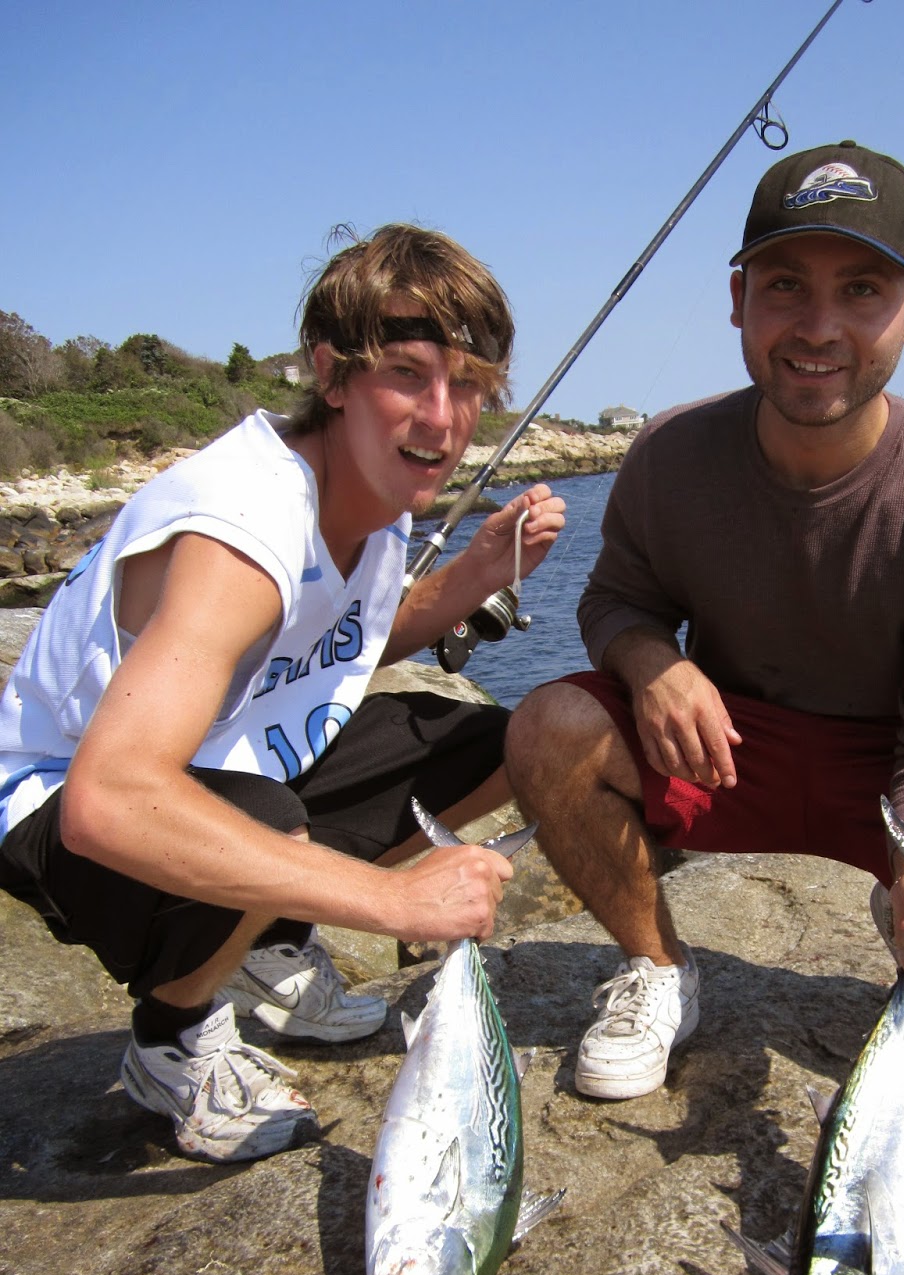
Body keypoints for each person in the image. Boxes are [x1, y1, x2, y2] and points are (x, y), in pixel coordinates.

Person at [504, 139, 904, 1101]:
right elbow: (615, 600)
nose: (818, 328)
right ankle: (656, 967)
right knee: (544, 729)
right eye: (785, 286)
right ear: (739, 299)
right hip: (735, 750)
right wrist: (651, 663)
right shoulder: (670, 454)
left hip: (900, 757)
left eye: (861, 290)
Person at [0, 223, 565, 1159]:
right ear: (333, 374)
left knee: (484, 742)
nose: (442, 418)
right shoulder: (244, 525)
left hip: (224, 752)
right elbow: (110, 802)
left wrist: (475, 572)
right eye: (407, 375)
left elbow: (351, 640)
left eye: (467, 384)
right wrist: (390, 903)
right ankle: (171, 1042)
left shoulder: (373, 492)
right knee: (268, 820)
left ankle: (263, 943)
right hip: (56, 799)